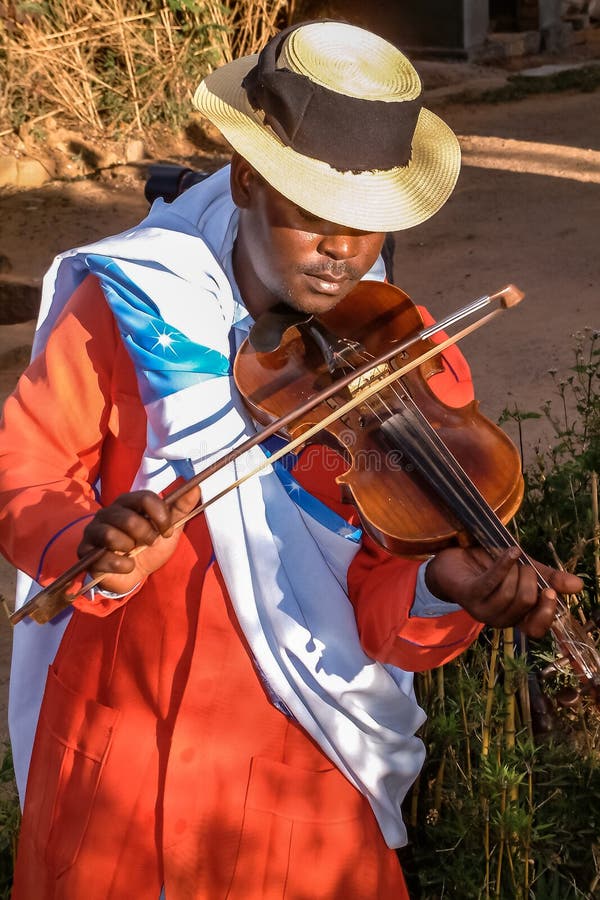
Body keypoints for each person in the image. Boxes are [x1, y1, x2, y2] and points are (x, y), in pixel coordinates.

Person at [0, 19, 581, 900]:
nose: (343, 250)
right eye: (312, 213)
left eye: (368, 225)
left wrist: (444, 586)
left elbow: (382, 599)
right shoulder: (129, 303)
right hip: (125, 759)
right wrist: (91, 540)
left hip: (301, 775)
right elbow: (24, 471)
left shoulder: (405, 355)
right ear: (243, 179)